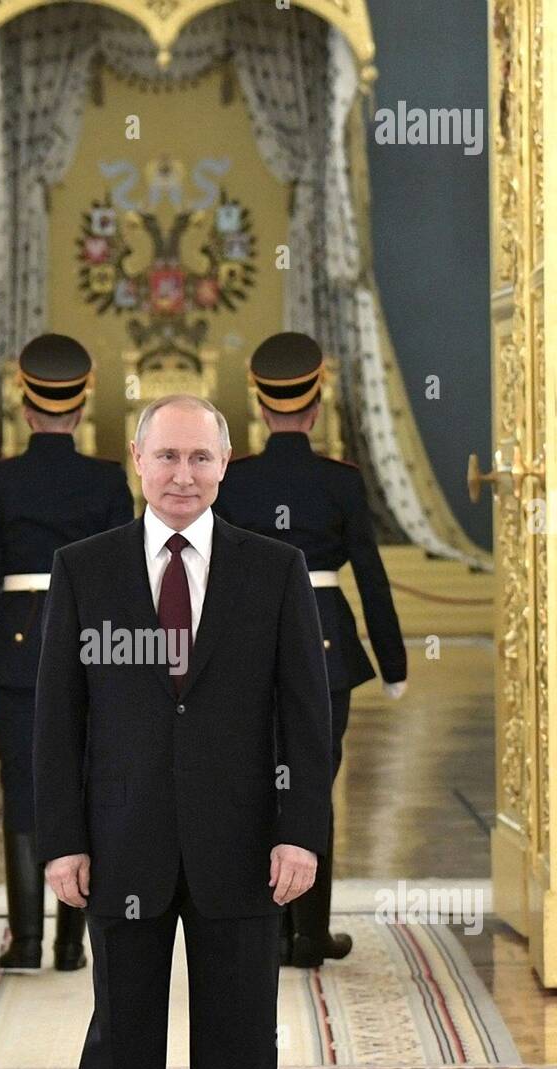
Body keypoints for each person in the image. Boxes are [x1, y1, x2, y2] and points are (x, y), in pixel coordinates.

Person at [33, 394, 333, 1069]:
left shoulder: (272, 569)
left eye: (200, 459)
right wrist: (61, 840)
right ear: (135, 459)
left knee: (238, 1047)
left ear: (226, 465)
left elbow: (303, 720)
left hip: (243, 850)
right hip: (120, 847)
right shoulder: (83, 569)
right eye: (166, 457)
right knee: (121, 1047)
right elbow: (59, 720)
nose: (181, 476)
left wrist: (301, 835)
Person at [214, 331, 407, 968]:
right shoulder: (341, 481)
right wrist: (394, 663)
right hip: (327, 641)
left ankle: (266, 932)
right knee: (314, 786)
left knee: (254, 786)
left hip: (251, 645)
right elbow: (372, 578)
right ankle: (310, 935)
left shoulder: (234, 481)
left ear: (260, 406)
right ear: (316, 402)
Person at [0, 333, 133, 973]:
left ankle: (26, 940)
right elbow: (122, 575)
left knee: (23, 786)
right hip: (92, 643)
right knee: (85, 786)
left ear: (25, 407)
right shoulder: (109, 479)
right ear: (80, 406)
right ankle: (71, 943)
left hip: (16, 643)